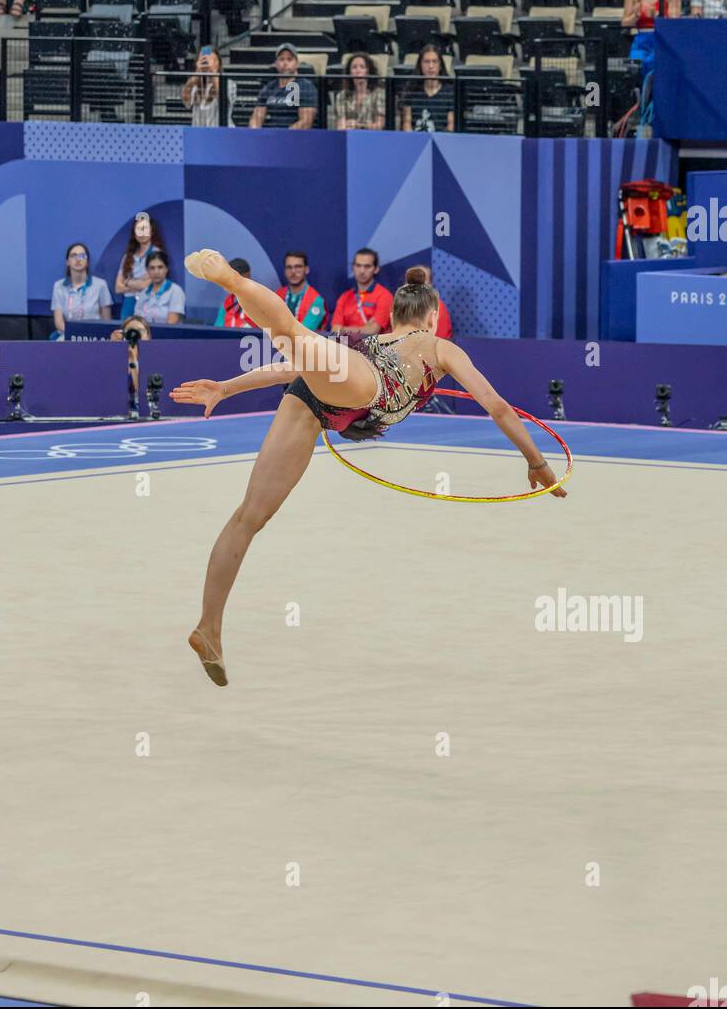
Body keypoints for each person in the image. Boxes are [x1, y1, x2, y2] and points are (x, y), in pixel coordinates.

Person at [171, 254, 567, 685]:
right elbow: (496, 405)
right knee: (293, 336)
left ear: (394, 315)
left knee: (248, 515)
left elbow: (293, 370)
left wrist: (227, 387)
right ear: (432, 317)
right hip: (366, 385)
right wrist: (537, 462)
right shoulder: (440, 347)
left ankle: (209, 628)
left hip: (316, 400)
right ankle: (231, 280)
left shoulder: (374, 340)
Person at [622, 0, 681, 87]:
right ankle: (640, 100)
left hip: (663, 40)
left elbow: (673, 22)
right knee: (636, 71)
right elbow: (625, 22)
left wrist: (654, 15)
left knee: (656, 69)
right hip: (641, 39)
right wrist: (636, 16)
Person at [50, 242, 113, 337]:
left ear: (87, 262)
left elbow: (107, 319)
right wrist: (75, 335)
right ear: (67, 262)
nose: (78, 259)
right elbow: (59, 323)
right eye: (73, 256)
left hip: (94, 336)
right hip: (68, 335)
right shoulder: (58, 286)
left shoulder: (100, 285)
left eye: (82, 256)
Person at [250, 43, 317, 129]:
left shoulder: (306, 87)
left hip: (295, 137)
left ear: (297, 63)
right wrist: (255, 133)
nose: (285, 63)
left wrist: (283, 136)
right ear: (276, 64)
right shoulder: (269, 88)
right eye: (281, 59)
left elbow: (306, 122)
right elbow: (256, 118)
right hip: (269, 135)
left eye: (289, 59)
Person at [331, 247, 393, 336]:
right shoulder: (344, 297)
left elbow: (373, 331)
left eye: (367, 266)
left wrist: (342, 329)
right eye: (358, 265)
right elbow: (334, 330)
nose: (362, 271)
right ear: (353, 267)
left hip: (373, 348)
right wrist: (364, 328)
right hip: (346, 347)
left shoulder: (385, 296)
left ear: (376, 269)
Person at [115, 210, 167, 316]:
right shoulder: (127, 256)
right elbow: (118, 288)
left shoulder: (156, 253)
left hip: (149, 303)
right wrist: (136, 284)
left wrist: (127, 281)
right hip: (128, 304)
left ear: (152, 231)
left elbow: (145, 285)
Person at [401, 44, 454, 132]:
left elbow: (451, 125)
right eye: (426, 61)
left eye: (434, 61)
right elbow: (407, 123)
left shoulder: (449, 91)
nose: (430, 66)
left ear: (440, 65)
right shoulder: (412, 90)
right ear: (420, 65)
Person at [132, 249, 186, 324]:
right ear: (147, 270)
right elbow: (136, 322)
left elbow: (171, 325)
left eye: (160, 267)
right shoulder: (144, 293)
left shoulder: (176, 291)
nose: (156, 272)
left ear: (166, 269)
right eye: (152, 268)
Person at [334, 51, 384, 130]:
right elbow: (340, 125)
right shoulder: (341, 96)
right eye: (354, 67)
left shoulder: (379, 94)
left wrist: (359, 125)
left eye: (362, 67)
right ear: (349, 72)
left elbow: (379, 125)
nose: (358, 70)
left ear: (368, 71)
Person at [276, 251, 326, 329]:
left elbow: (304, 332)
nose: (293, 271)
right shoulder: (277, 295)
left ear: (306, 269)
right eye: (289, 267)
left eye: (298, 267)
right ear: (285, 271)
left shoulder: (316, 300)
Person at [181, 46, 222, 126]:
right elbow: (185, 100)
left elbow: (223, 99)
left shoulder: (228, 83)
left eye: (211, 59)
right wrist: (197, 73)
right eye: (203, 60)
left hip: (220, 133)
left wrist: (213, 73)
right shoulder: (195, 84)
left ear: (218, 63)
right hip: (199, 132)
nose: (206, 62)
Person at [214, 258, 257, 327]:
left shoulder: (259, 300)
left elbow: (266, 331)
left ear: (247, 276)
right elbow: (217, 328)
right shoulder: (227, 302)